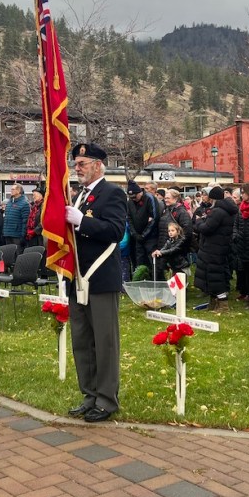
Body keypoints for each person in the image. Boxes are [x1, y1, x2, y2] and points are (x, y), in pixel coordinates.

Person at [64, 143, 127, 423]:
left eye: (82, 163)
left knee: (104, 341)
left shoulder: (111, 192)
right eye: (76, 164)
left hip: (100, 278)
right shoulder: (80, 196)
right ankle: (89, 394)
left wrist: (82, 223)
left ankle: (106, 399)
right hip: (78, 278)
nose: (77, 169)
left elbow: (115, 231)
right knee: (82, 340)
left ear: (98, 165)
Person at [192, 186, 236, 300]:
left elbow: (206, 228)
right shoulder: (226, 210)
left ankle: (221, 299)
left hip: (213, 247)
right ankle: (216, 298)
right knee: (217, 272)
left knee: (215, 274)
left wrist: (199, 221)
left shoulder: (217, 212)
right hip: (221, 245)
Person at [126, 180, 158, 274]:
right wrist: (134, 233)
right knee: (139, 260)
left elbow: (154, 218)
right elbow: (129, 218)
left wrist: (144, 234)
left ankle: (154, 280)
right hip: (137, 236)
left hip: (150, 237)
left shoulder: (149, 198)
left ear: (140, 192)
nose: (134, 199)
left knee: (151, 261)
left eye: (135, 197)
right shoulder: (130, 202)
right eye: (131, 197)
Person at [2, 184, 30, 249]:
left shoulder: (24, 203)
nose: (11, 191)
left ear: (19, 191)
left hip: (17, 235)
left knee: (17, 254)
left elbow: (25, 221)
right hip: (7, 233)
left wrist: (23, 236)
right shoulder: (9, 203)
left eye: (13, 189)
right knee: (8, 254)